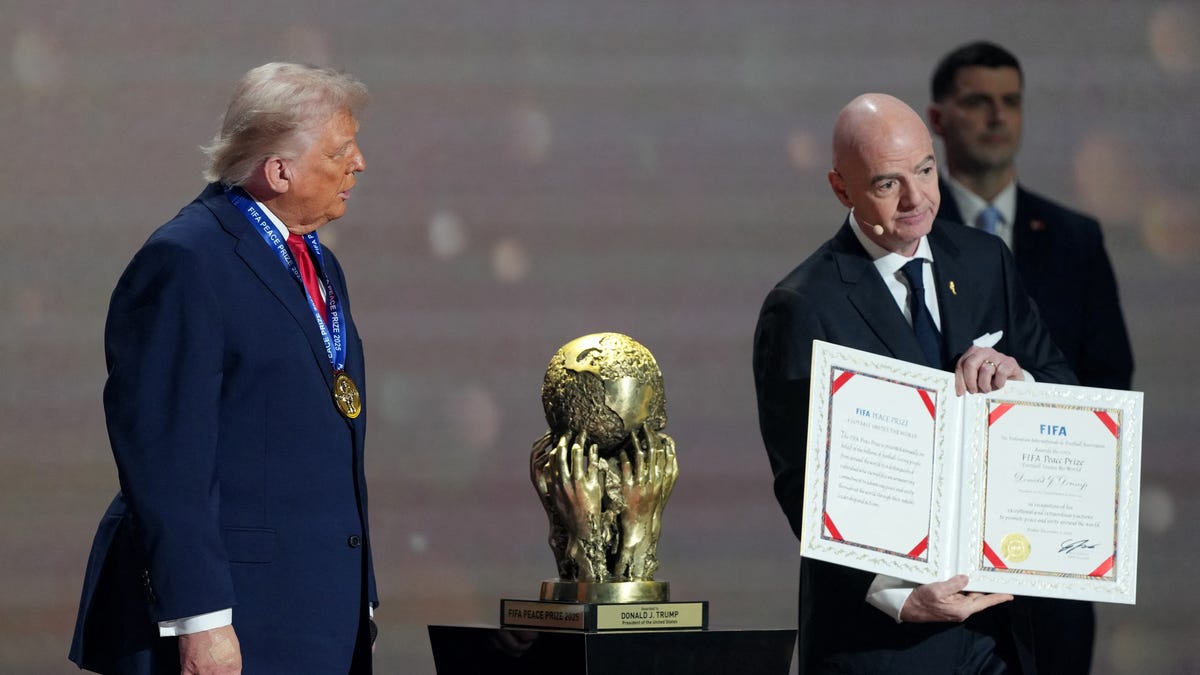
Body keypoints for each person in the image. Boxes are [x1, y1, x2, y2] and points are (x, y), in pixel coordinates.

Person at [753, 93, 1077, 673]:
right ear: (841, 188)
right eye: (887, 184)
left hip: (997, 629)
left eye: (925, 171)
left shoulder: (984, 261)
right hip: (879, 640)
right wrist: (899, 596)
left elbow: (1060, 383)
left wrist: (1018, 377)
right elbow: (801, 484)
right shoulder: (802, 305)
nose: (917, 199)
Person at [69, 62, 376, 674]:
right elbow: (166, 457)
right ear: (279, 170)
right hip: (229, 624)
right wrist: (201, 622)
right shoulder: (186, 261)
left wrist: (354, 593)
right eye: (342, 151)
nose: (359, 164)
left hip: (313, 613)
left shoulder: (314, 260)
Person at [929, 40, 1135, 673]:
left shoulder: (1075, 238)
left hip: (1054, 549)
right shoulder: (912, 240)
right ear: (938, 118)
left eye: (1010, 102)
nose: (997, 117)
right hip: (947, 560)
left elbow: (1108, 378)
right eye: (977, 102)